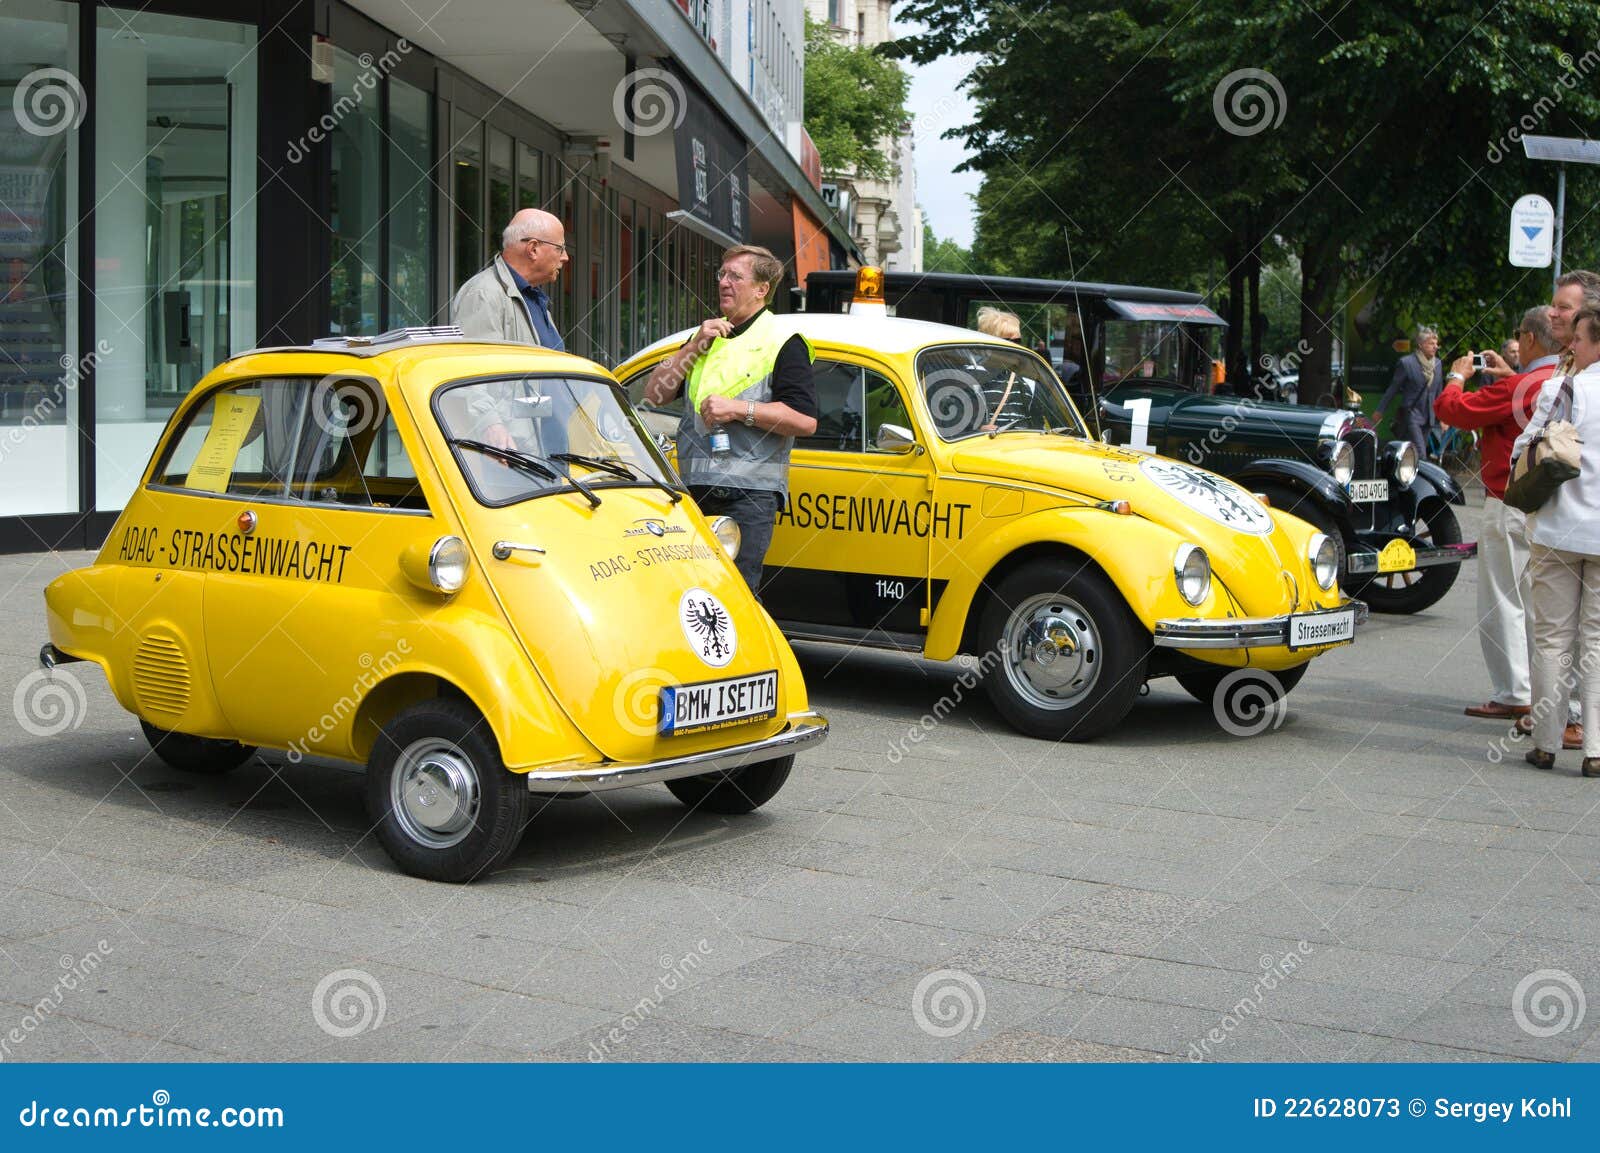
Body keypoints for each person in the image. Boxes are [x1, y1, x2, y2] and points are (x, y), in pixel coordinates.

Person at [642, 244, 818, 592]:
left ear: (761, 289)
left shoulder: (783, 341)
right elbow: (655, 394)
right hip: (693, 493)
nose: (724, 283)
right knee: (691, 594)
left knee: (734, 596)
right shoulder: (706, 336)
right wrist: (693, 347)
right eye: (722, 275)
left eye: (736, 276)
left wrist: (739, 410)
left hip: (749, 496)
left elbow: (804, 420)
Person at [1434, 306, 1561, 728]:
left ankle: (1513, 692)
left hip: (1507, 498)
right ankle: (1549, 695)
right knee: (1538, 602)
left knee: (1503, 599)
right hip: (1553, 504)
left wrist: (1456, 375)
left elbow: (1453, 411)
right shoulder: (1559, 380)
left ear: (1528, 339)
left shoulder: (1520, 385)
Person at [1512, 306, 1600, 777]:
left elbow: (1527, 445)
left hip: (1559, 528)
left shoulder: (1565, 387)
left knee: (1551, 637)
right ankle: (1595, 750)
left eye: (1580, 340)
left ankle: (1546, 743)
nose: (1573, 348)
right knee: (1598, 639)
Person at [451, 209, 571, 449]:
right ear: (533, 248)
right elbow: (470, 375)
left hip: (546, 450)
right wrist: (491, 426)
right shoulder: (485, 294)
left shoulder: (533, 297)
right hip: (512, 455)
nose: (565, 257)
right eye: (560, 248)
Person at [1375, 326, 1444, 460]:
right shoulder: (1406, 363)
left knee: (1414, 451)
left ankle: (1408, 476)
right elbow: (1393, 388)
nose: (1436, 347)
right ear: (1421, 344)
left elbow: (1439, 392)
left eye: (1436, 344)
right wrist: (1380, 410)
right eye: (1431, 343)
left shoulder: (1438, 364)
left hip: (1429, 416)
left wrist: (1443, 418)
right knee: (1421, 452)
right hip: (1412, 414)